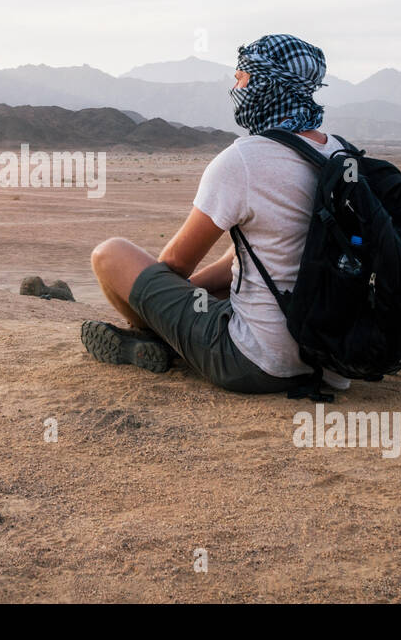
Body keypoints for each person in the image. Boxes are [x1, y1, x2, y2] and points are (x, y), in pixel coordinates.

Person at [80, 34, 350, 394]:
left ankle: (156, 341)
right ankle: (160, 340)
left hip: (257, 363)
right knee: (235, 266)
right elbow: (249, 258)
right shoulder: (342, 154)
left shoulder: (245, 160)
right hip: (332, 359)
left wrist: (169, 309)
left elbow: (175, 264)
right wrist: (191, 297)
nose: (236, 88)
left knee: (110, 254)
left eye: (242, 77)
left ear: (266, 83)